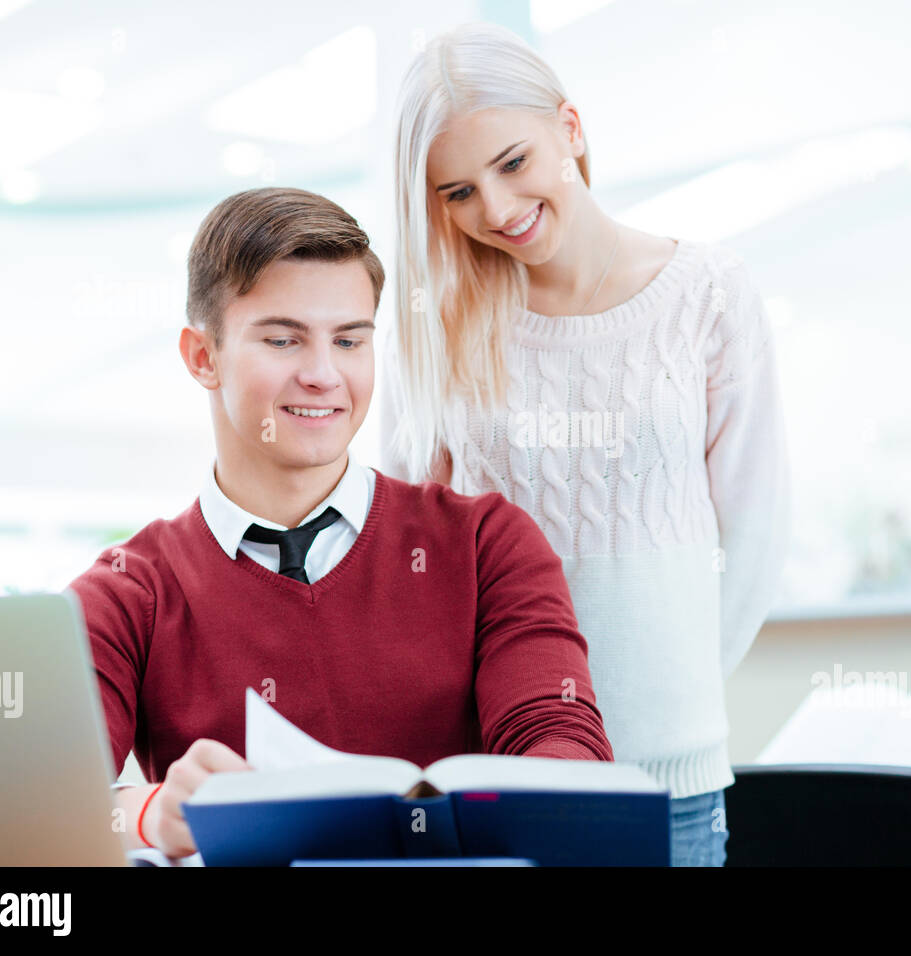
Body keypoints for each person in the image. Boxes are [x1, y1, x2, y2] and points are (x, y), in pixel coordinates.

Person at [66, 186, 613, 861]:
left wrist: (535, 799)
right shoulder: (129, 589)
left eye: (349, 340)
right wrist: (152, 812)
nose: (324, 375)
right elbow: (35, 802)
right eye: (283, 339)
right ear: (202, 356)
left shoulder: (484, 544)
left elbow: (561, 739)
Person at [380, 23, 791, 866]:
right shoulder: (438, 328)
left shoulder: (708, 293)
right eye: (455, 192)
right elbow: (407, 560)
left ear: (569, 128)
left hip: (667, 780)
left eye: (513, 163)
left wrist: (669, 704)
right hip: (500, 779)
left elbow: (754, 531)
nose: (494, 210)